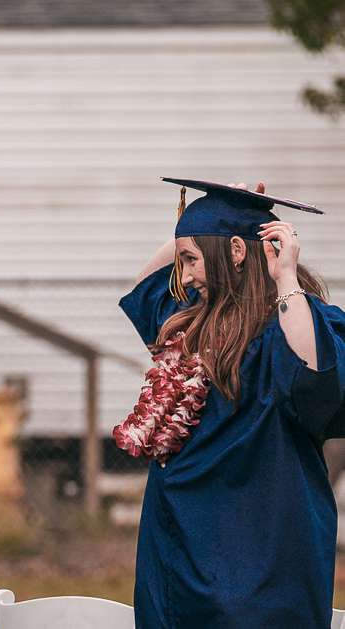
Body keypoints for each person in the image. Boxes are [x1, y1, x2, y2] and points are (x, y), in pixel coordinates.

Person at [119, 179, 345, 628]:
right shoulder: (190, 327)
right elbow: (146, 284)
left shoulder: (300, 322)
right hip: (179, 541)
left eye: (190, 260)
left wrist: (283, 275)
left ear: (238, 254)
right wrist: (211, 215)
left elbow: (315, 385)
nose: (182, 276)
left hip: (265, 541)